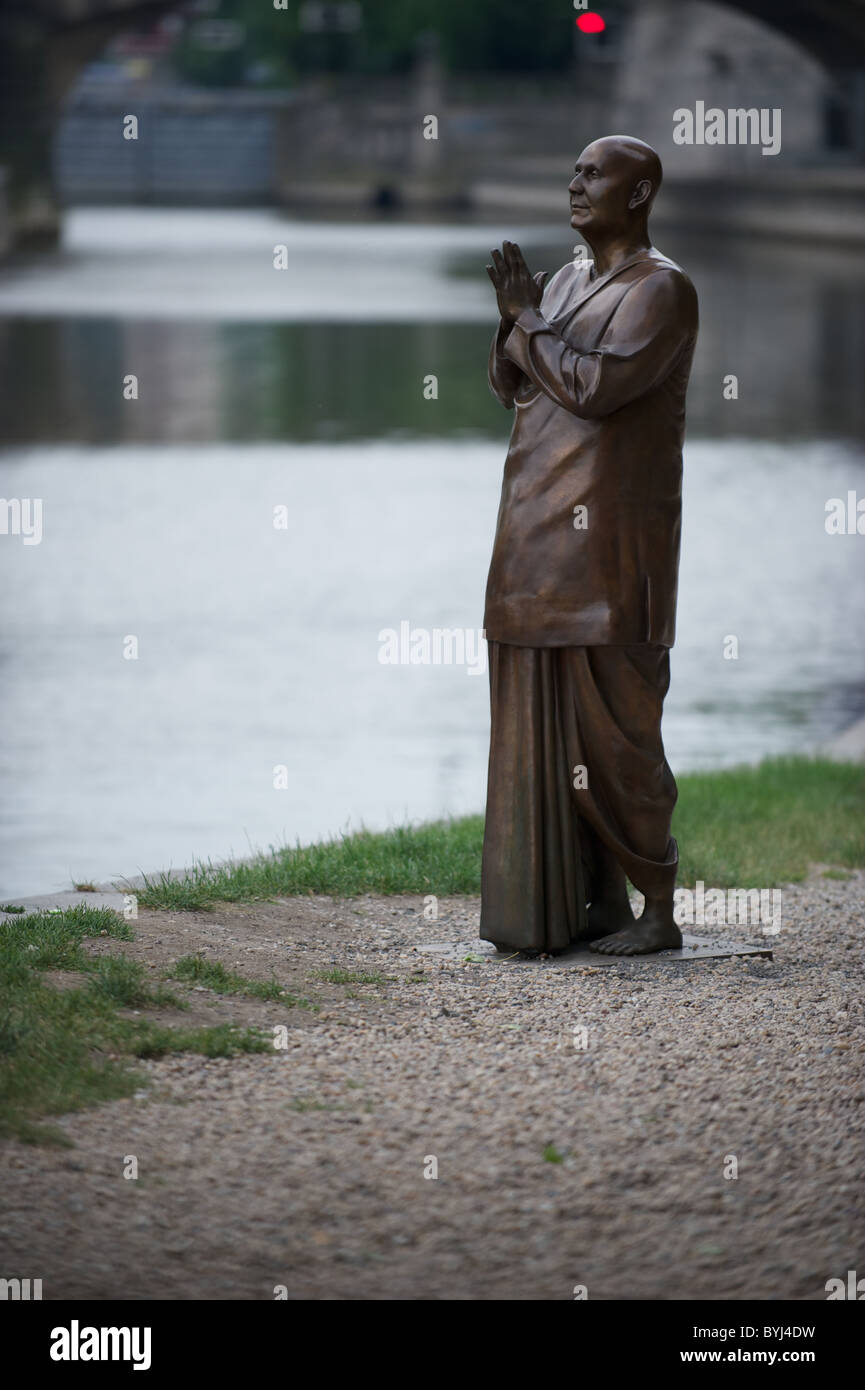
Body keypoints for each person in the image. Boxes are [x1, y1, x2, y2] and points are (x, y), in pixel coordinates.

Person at [481, 135, 698, 957]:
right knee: (535, 735)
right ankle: (558, 906)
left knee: (619, 741)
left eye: (592, 173)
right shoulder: (564, 280)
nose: (572, 182)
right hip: (531, 537)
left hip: (610, 554)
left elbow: (593, 389)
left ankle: (656, 908)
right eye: (570, 169)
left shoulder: (662, 291)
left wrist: (527, 323)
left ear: (638, 194)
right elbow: (513, 383)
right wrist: (510, 324)